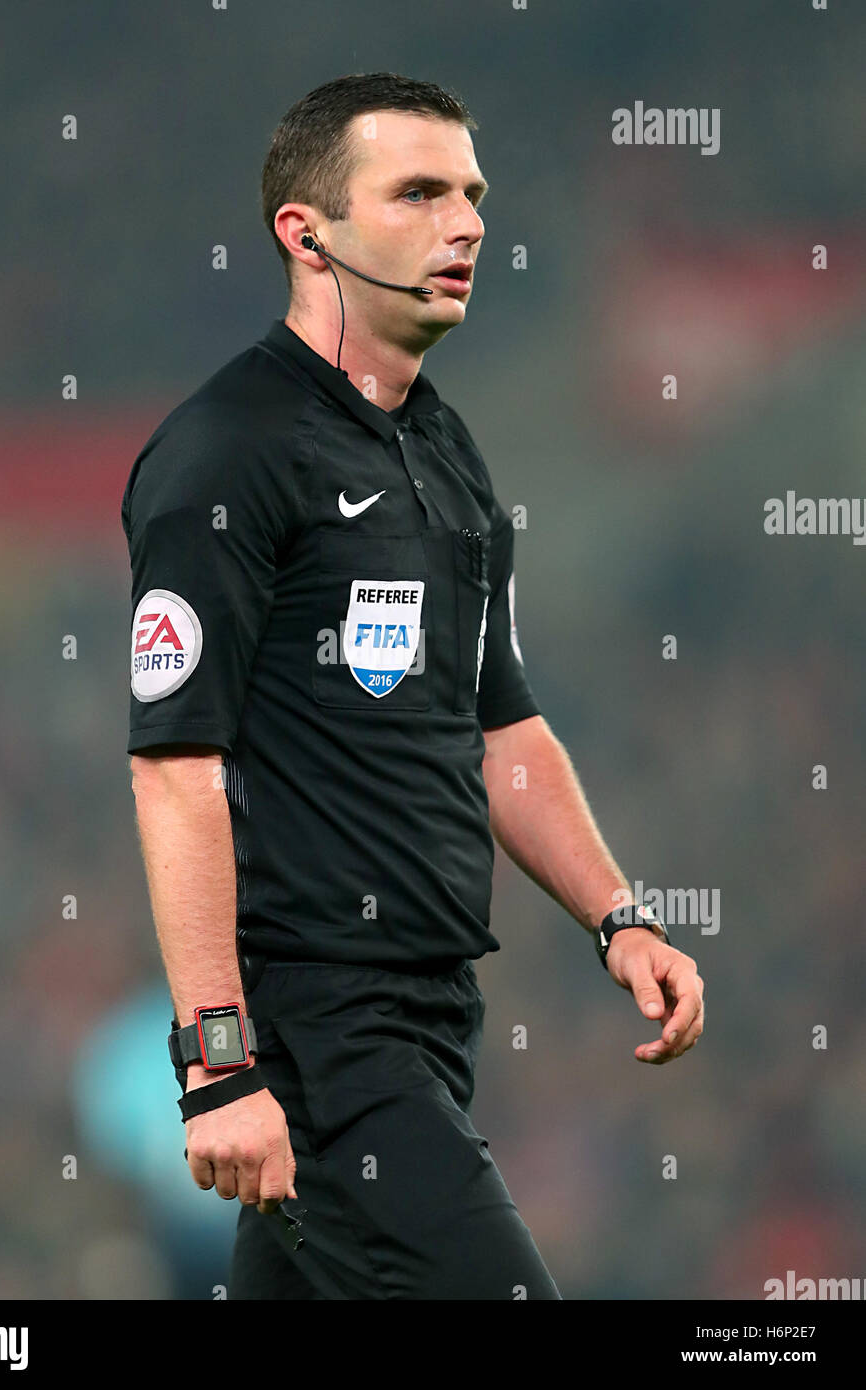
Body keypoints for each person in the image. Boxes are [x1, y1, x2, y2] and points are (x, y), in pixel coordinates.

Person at [122, 72, 704, 1301]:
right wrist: (218, 1065)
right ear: (308, 232)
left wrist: (619, 916)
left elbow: (500, 718)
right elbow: (175, 765)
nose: (468, 223)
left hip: (432, 1019)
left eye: (474, 195)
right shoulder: (225, 452)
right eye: (421, 192)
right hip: (319, 1038)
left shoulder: (441, 447)